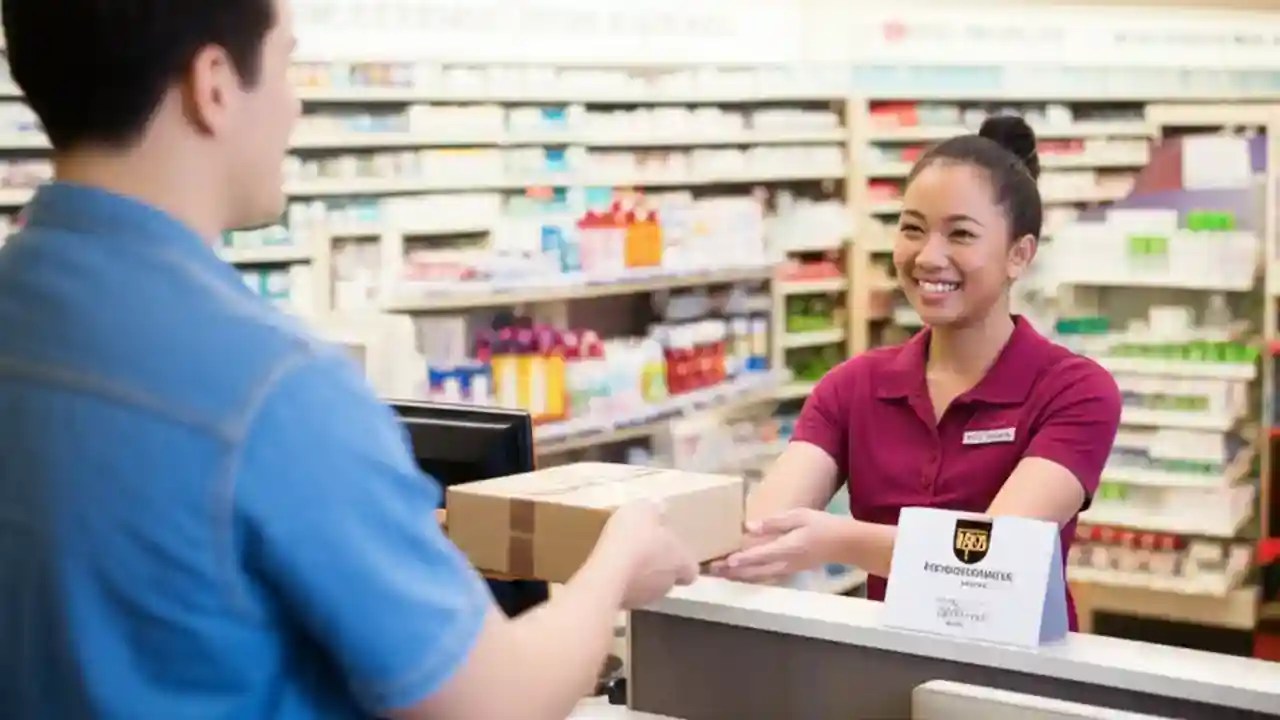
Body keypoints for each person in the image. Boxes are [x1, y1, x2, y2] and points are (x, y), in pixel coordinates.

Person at [0, 1, 697, 719]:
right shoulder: (276, 387)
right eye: (287, 65)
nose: (295, 104)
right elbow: (496, 703)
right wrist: (616, 560)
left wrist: (379, 527)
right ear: (212, 85)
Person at [711, 116, 1121, 631]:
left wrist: (839, 540)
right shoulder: (853, 387)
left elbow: (989, 563)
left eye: (961, 234)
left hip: (1017, 680)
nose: (928, 257)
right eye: (912, 229)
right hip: (885, 662)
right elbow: (763, 530)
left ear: (1020, 254)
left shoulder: (1074, 391)